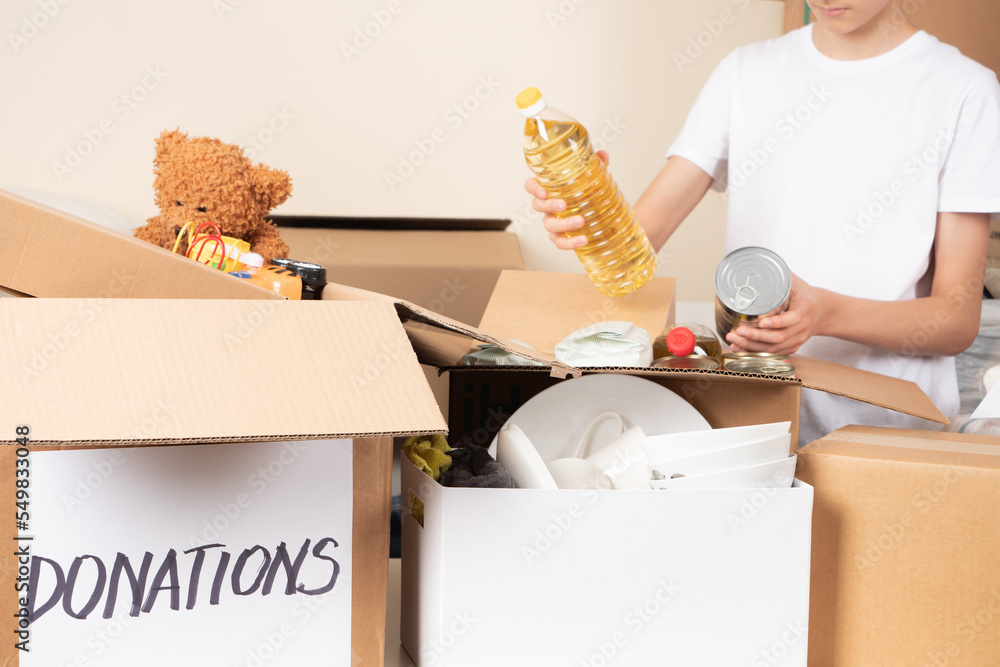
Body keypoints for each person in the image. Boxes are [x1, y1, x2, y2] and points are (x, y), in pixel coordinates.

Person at [525, 0, 1000, 446]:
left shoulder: (963, 90)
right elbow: (640, 237)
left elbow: (955, 320)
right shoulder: (744, 72)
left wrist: (825, 314)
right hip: (754, 419)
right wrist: (589, 217)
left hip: (890, 431)